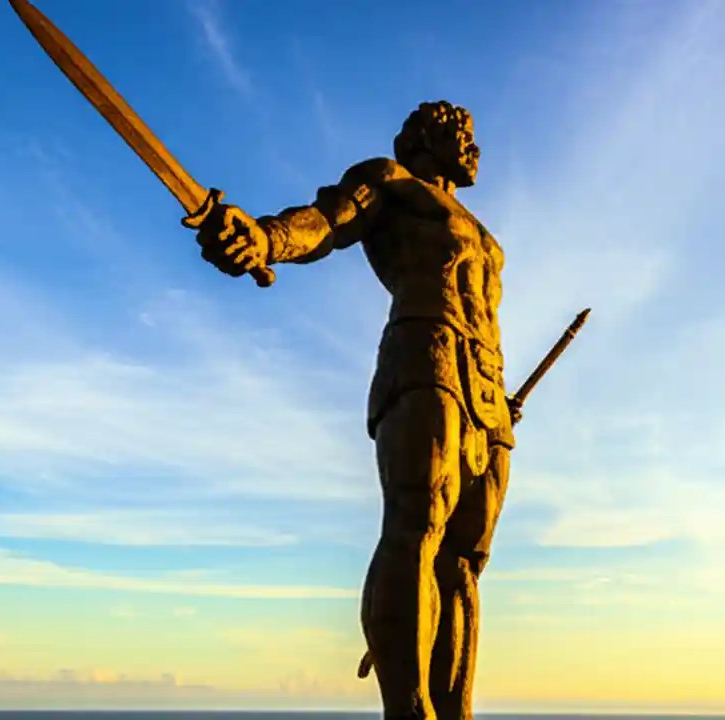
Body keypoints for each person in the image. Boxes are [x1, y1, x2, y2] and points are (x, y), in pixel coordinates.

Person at [192, 101, 520, 720]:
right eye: (461, 135)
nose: (475, 147)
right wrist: (266, 237)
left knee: (464, 562)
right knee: (417, 523)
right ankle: (410, 708)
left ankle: (456, 710)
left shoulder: (483, 232)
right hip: (430, 354)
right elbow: (324, 224)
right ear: (423, 140)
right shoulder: (389, 182)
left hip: (488, 390)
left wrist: (498, 404)